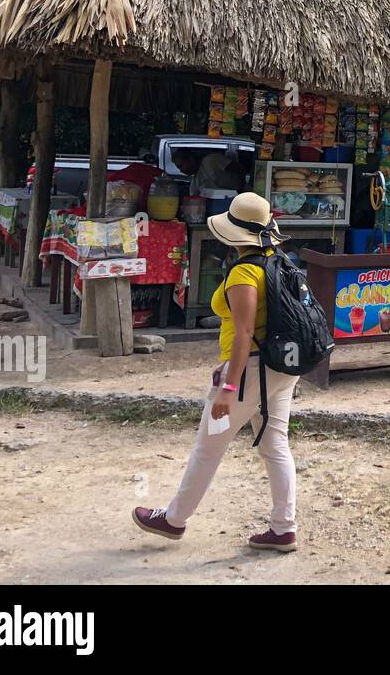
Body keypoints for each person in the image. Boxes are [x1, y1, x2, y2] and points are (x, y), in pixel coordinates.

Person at [132, 192, 300, 552]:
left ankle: (174, 519)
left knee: (207, 448)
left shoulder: (243, 273)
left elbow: (242, 334)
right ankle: (284, 527)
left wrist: (228, 386)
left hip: (249, 372)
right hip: (280, 368)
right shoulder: (276, 259)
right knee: (275, 446)